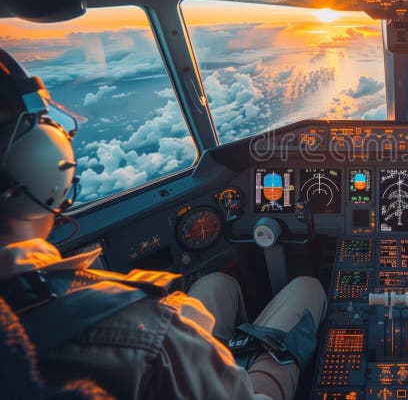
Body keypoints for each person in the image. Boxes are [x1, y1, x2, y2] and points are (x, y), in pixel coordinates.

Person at [0, 47, 327, 400]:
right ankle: (246, 363)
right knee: (307, 287)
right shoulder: (142, 333)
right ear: (40, 162)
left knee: (218, 283)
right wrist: (172, 331)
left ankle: (223, 357)